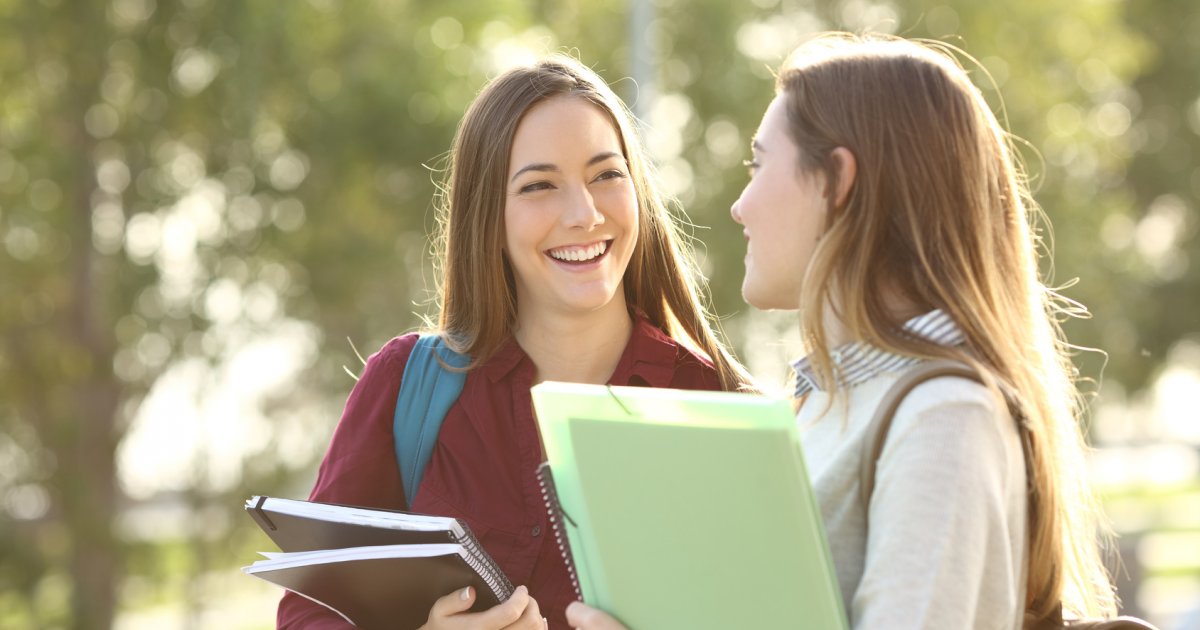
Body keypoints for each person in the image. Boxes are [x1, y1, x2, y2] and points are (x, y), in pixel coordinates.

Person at [567, 33, 1119, 630]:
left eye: (758, 165)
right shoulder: (823, 401)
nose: (741, 205)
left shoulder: (944, 415)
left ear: (836, 180)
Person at [274, 54, 752, 630]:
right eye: (539, 186)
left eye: (606, 174)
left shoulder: (723, 409)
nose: (583, 213)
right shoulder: (407, 385)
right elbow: (310, 611)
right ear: (488, 217)